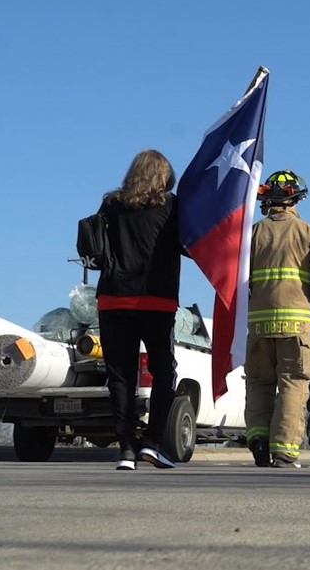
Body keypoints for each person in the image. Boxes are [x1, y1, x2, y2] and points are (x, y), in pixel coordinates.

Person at [95, 149, 185, 471]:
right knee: (164, 373)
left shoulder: (111, 204)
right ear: (165, 176)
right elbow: (187, 245)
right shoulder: (172, 206)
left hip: (113, 299)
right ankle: (153, 443)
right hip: (155, 300)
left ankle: (126, 451)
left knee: (120, 377)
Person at [244, 170, 310, 468]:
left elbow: (236, 279)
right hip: (296, 326)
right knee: (293, 386)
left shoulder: (252, 233)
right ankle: (284, 451)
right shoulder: (309, 233)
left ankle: (258, 439)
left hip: (258, 326)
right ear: (296, 198)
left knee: (258, 383)